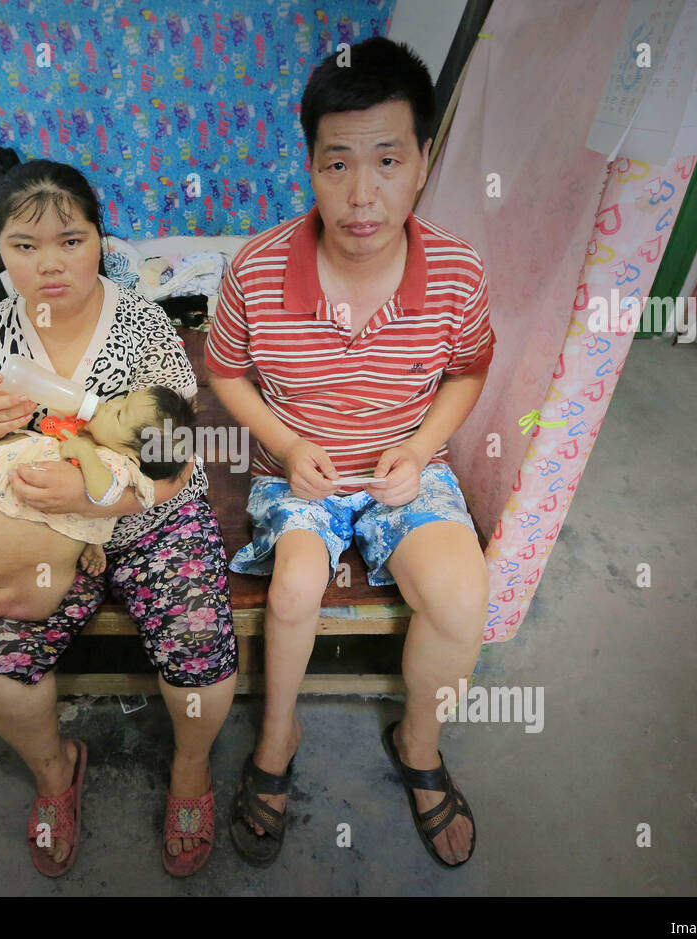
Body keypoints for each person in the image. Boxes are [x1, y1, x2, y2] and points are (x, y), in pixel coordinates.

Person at [205, 38, 495, 869]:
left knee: (462, 592)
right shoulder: (256, 270)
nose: (362, 195)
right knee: (294, 586)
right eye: (336, 165)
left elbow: (469, 369)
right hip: (304, 472)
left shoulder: (457, 272)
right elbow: (224, 370)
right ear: (309, 165)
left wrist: (421, 445)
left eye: (387, 161)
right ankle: (277, 736)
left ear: (424, 161)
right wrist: (287, 442)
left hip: (407, 465)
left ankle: (419, 740)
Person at [0, 160, 238, 878]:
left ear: (100, 240)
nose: (48, 264)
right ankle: (55, 770)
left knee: (199, 652)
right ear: (0, 248)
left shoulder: (145, 328)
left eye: (70, 240)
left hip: (146, 523)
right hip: (37, 534)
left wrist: (95, 499)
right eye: (25, 245)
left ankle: (191, 771)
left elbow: (174, 474)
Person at [0, 387, 196, 674]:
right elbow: (85, 517)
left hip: (1, 559)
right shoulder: (88, 438)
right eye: (122, 399)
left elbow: (103, 494)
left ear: (133, 455)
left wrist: (84, 452)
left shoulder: (120, 467)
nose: (110, 404)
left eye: (120, 413)